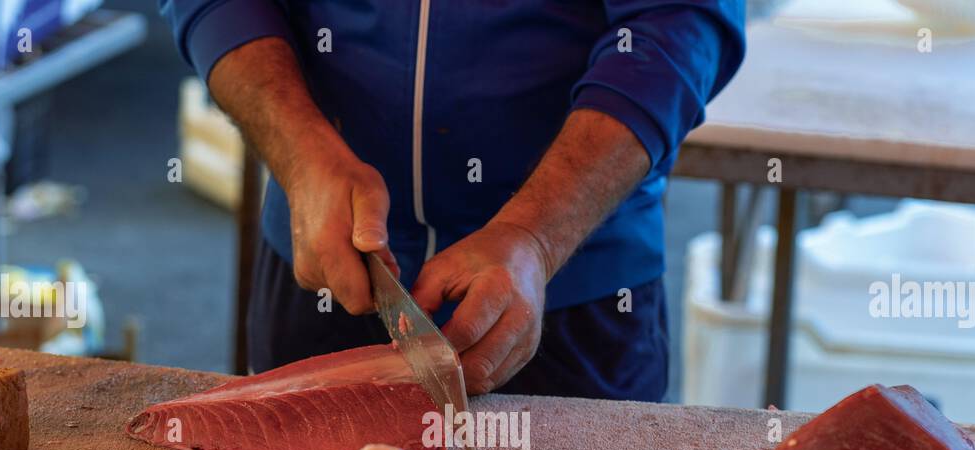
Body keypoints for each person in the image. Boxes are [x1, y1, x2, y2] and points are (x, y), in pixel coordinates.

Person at [160, 1, 746, 400]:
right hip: (328, 263)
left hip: (572, 288)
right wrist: (299, 152)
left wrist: (538, 238)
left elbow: (681, 20)